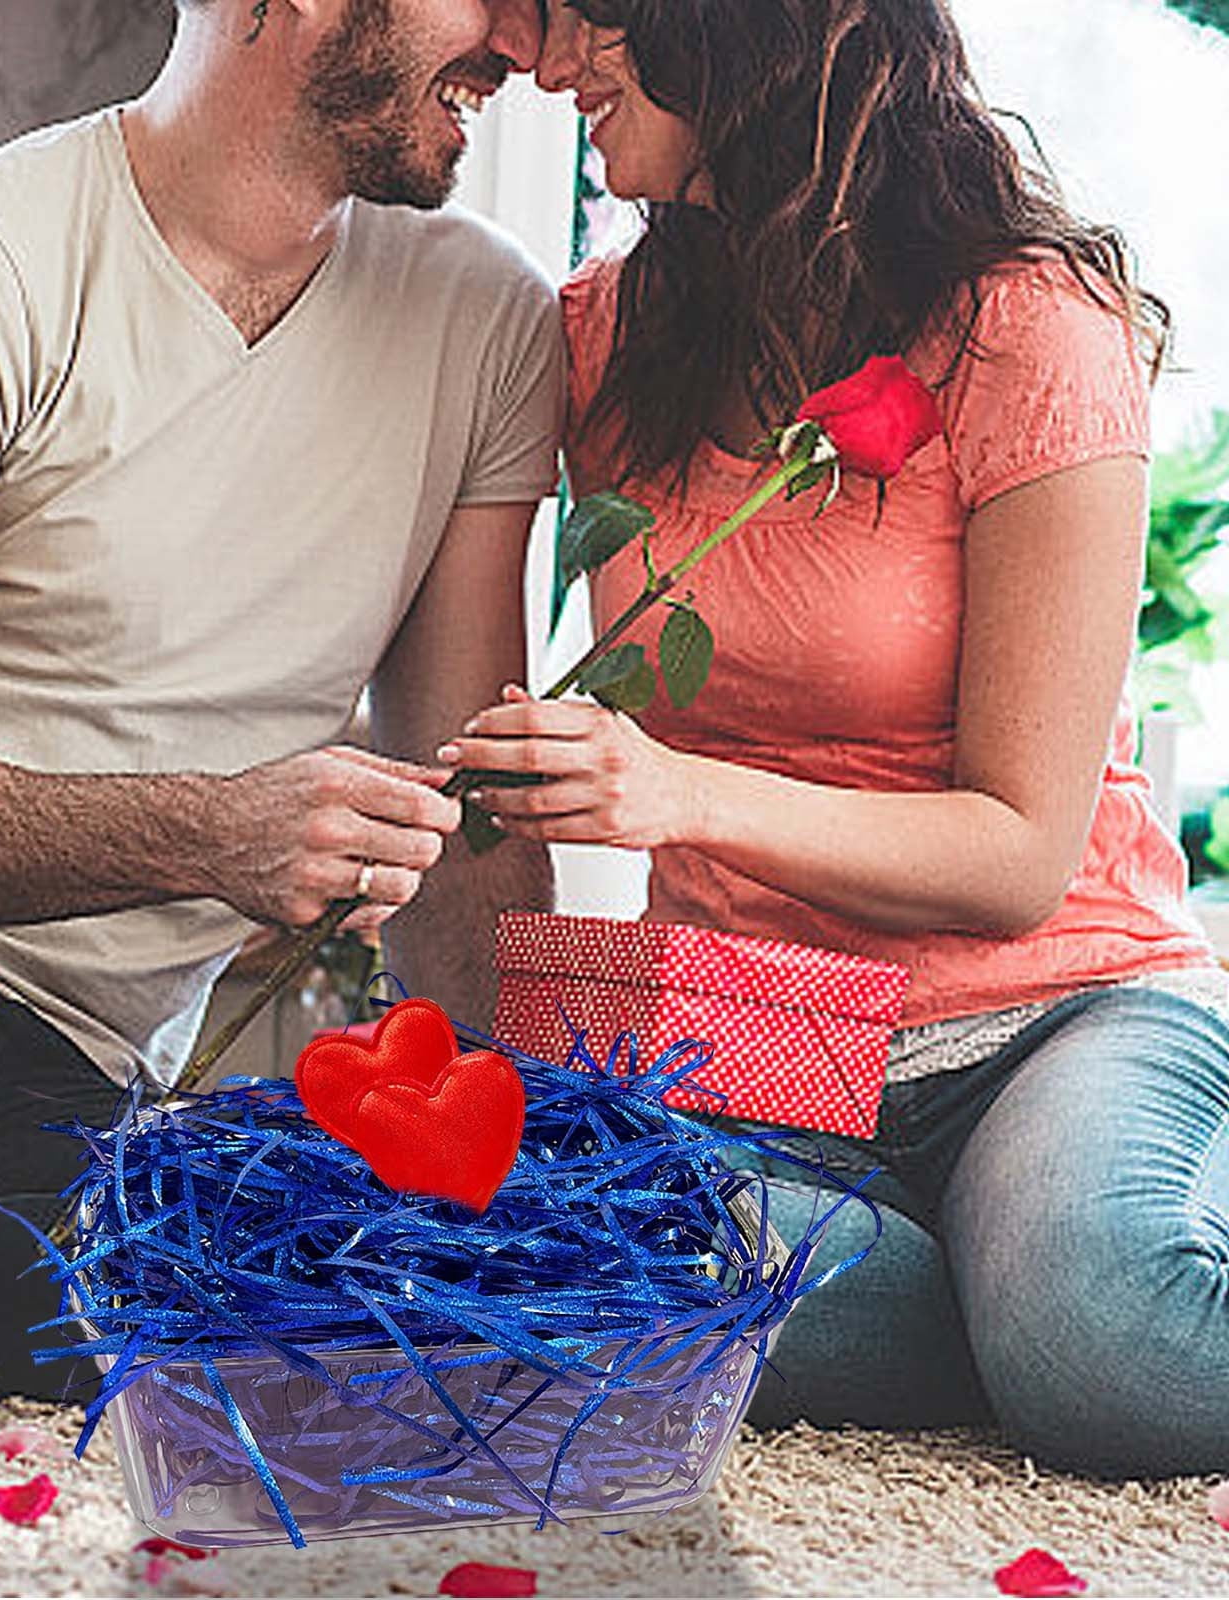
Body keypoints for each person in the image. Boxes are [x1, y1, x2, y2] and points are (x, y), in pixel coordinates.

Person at [0, 0, 559, 1398]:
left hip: (70, 1063)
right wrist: (209, 836)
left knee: (372, 1337)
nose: (525, 40)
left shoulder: (485, 316)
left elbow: (462, 802)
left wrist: (548, 1144)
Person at [444, 0, 1229, 1478]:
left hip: (1052, 1015)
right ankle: (1005, 1290)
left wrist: (675, 796)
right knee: (541, 1227)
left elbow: (1015, 856)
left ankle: (1054, 1282)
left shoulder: (1031, 327)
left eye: (589, 19)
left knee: (1109, 1350)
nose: (545, 68)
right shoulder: (604, 336)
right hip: (762, 1060)